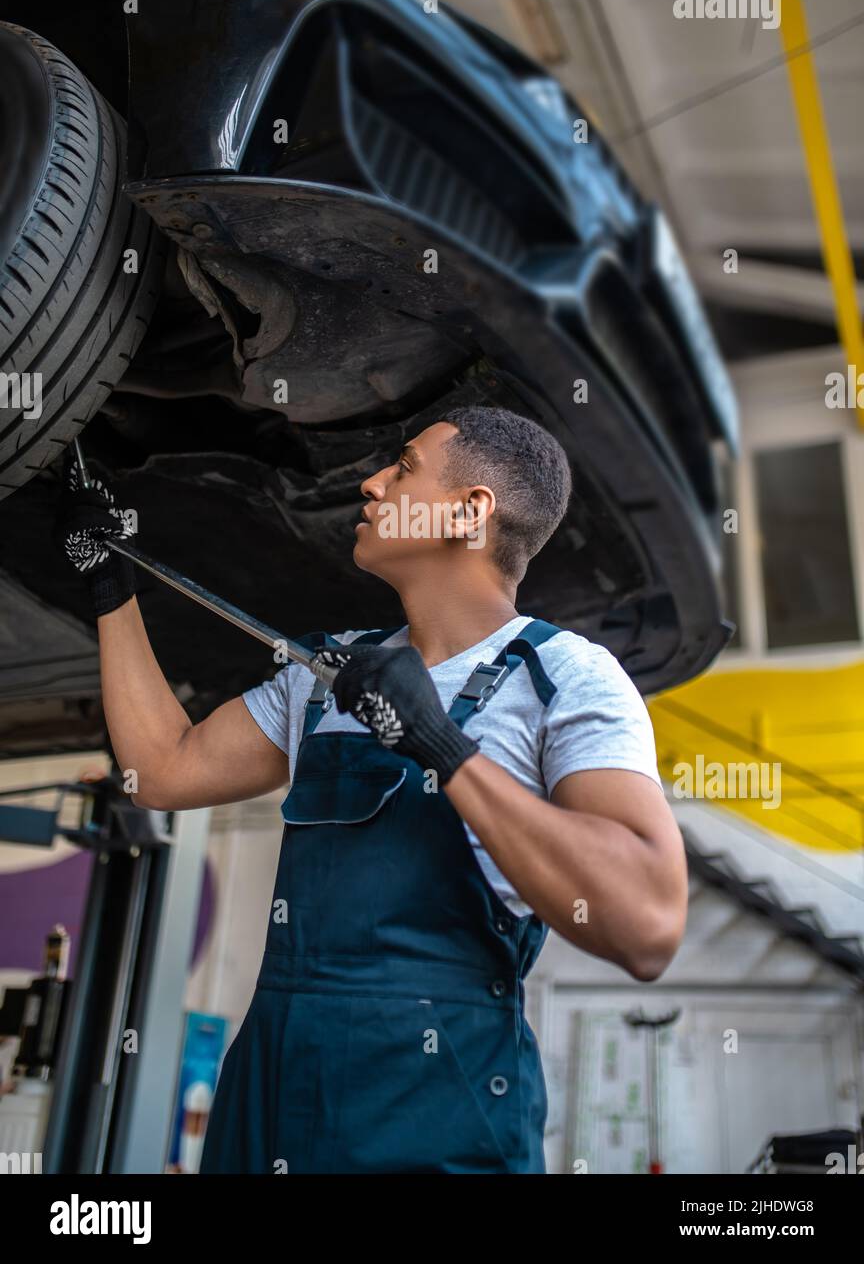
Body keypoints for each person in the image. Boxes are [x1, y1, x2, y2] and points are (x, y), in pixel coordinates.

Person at [54, 406, 687, 1174]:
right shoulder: (331, 677)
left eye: (405, 467)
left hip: (435, 1110)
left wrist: (441, 744)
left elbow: (647, 924)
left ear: (468, 511)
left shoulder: (566, 678)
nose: (372, 480)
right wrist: (110, 588)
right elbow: (159, 769)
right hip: (271, 1095)